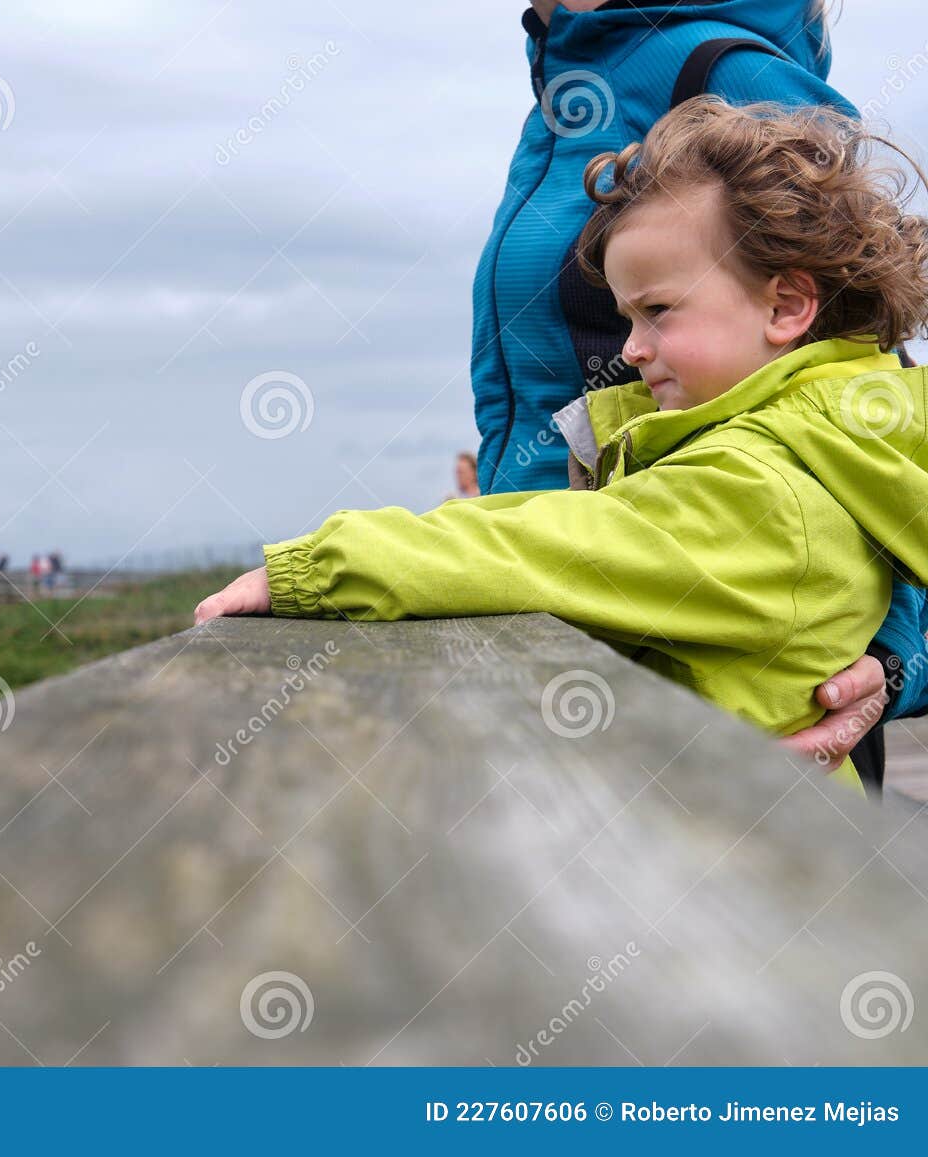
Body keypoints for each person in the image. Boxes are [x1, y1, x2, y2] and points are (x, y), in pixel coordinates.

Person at [195, 98, 928, 792]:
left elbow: (546, 544)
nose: (633, 349)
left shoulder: (761, 489)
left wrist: (323, 567)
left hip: (734, 873)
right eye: (626, 317)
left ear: (789, 304)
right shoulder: (817, 444)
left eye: (659, 311)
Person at [469, 0, 928, 778]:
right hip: (561, 621)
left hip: (724, 673)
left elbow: (868, 348)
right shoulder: (558, 102)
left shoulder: (725, 72)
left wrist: (898, 654)